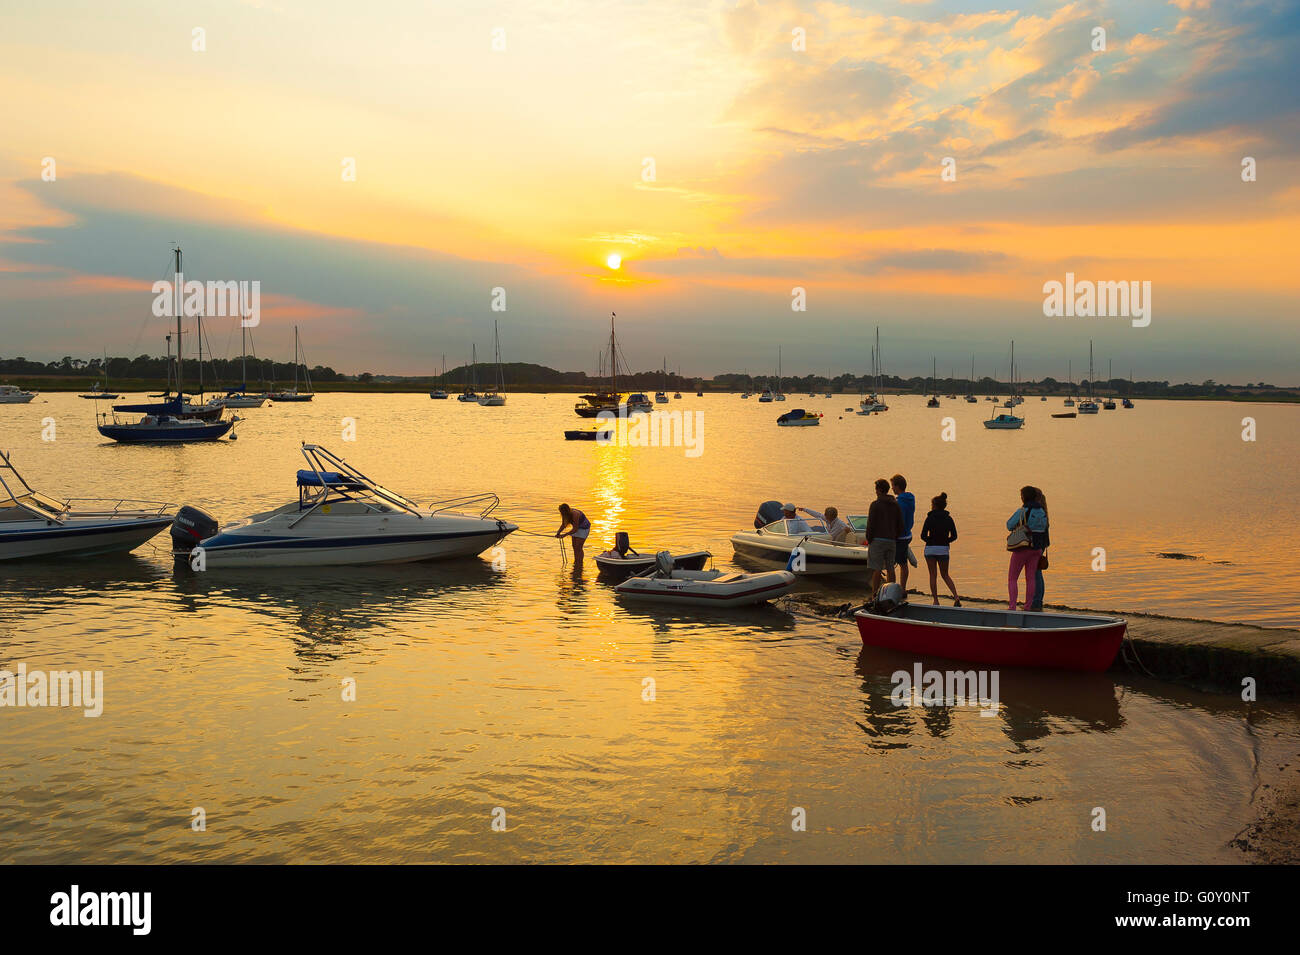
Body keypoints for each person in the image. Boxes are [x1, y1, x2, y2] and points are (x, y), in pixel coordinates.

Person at [1006, 485, 1048, 610]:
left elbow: (1009, 525)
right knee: (1030, 579)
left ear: (1024, 497)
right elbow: (1044, 528)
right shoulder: (1042, 512)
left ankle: (1012, 606)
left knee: (1012, 578)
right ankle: (1028, 606)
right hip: (1037, 549)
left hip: (1022, 548)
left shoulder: (1023, 511)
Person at [919, 492, 960, 606]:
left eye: (932, 505)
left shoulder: (929, 518)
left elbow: (922, 535)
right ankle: (956, 597)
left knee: (933, 575)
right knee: (945, 575)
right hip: (943, 549)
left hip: (930, 549)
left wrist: (930, 540)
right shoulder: (949, 518)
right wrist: (946, 541)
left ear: (935, 506)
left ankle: (936, 601)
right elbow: (954, 536)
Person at [865, 479, 902, 595]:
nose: (875, 491)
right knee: (891, 568)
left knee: (877, 568)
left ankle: (874, 594)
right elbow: (900, 524)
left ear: (879, 490)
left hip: (877, 540)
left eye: (876, 489)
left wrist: (869, 538)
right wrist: (895, 537)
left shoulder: (875, 505)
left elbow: (871, 524)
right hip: (891, 540)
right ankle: (891, 594)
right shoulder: (896, 505)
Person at [891, 474, 915, 590]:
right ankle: (902, 587)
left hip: (900, 537)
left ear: (897, 486)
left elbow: (898, 521)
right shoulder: (910, 499)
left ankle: (896, 589)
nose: (892, 488)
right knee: (903, 563)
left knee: (894, 564)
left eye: (893, 486)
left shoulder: (899, 503)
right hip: (907, 534)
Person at [1031, 489, 1049, 611]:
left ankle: (1036, 601)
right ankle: (1037, 600)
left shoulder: (1038, 513)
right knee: (1037, 573)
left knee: (1035, 574)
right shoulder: (1044, 513)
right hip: (1042, 545)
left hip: (1037, 545)